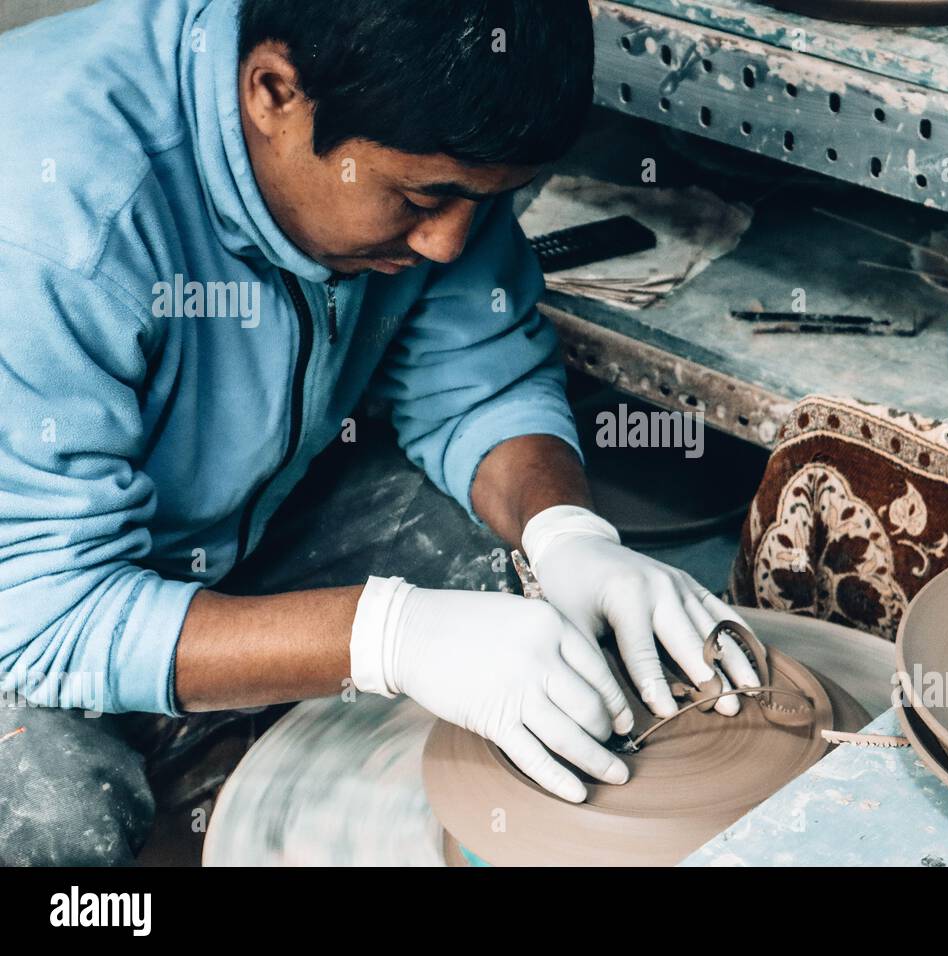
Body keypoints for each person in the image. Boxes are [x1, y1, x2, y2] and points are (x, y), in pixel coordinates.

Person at [0, 0, 758, 865]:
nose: (446, 243)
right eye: (421, 196)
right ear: (272, 93)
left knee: (522, 602)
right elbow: (47, 617)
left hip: (222, 518)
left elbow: (480, 382)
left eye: (484, 202)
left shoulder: (423, 139)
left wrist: (567, 534)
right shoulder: (48, 221)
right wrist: (390, 636)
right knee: (50, 820)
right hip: (22, 596)